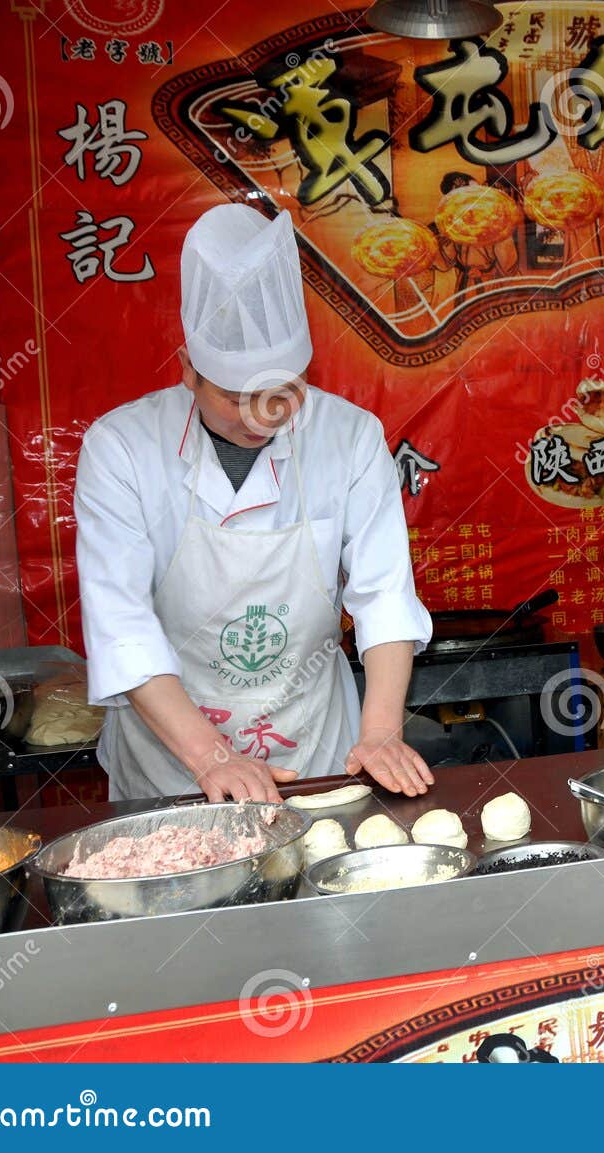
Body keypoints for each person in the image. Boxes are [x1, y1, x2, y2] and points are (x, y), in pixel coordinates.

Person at [75, 203, 434, 802]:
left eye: (283, 391)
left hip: (315, 747)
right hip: (175, 760)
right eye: (238, 396)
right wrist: (211, 758)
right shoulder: (122, 448)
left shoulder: (349, 436)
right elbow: (121, 624)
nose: (263, 415)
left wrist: (378, 733)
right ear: (190, 370)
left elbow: (384, 596)